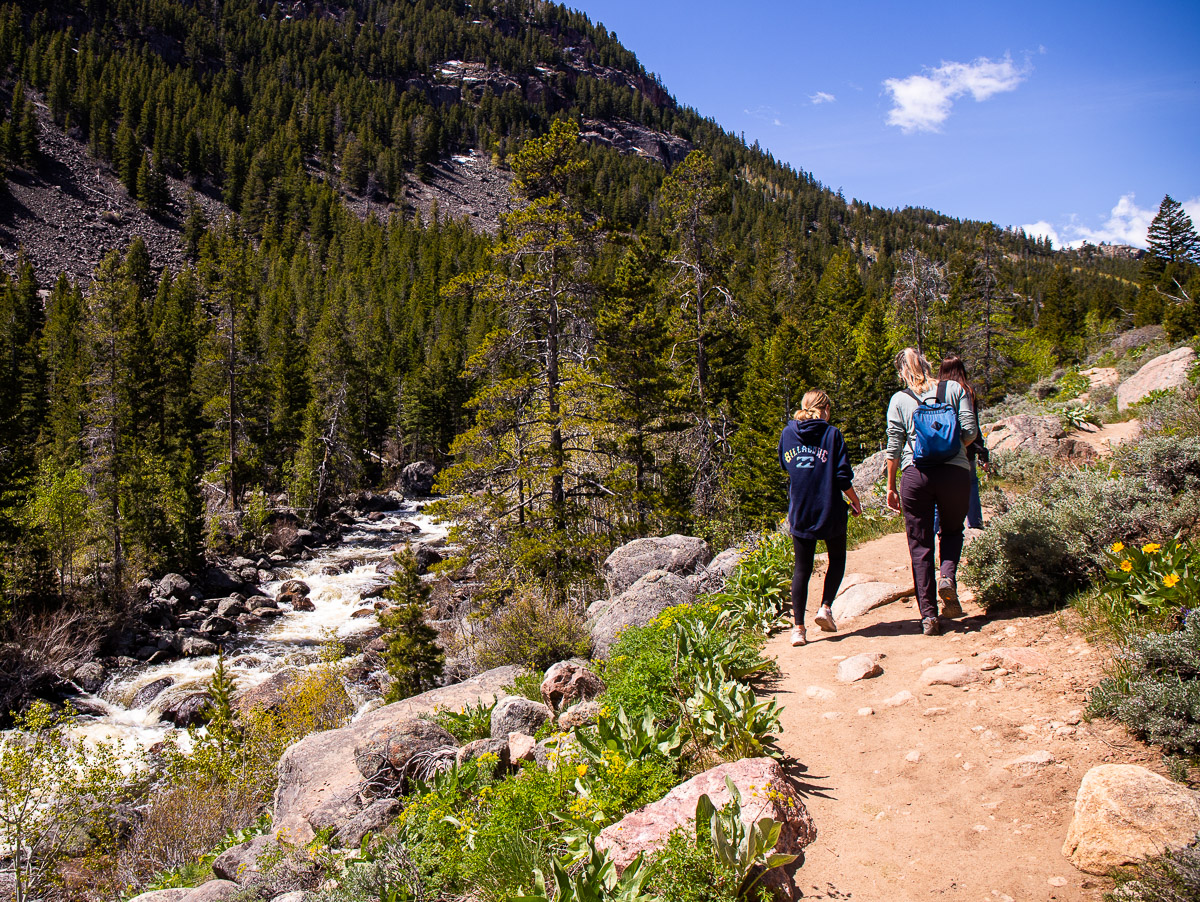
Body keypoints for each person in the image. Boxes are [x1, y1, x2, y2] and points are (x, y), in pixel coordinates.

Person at [885, 348, 979, 636]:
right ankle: (947, 577)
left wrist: (891, 487)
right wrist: (953, 452)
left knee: (920, 546)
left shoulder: (900, 399)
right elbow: (970, 430)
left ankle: (928, 617)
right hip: (955, 473)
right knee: (952, 531)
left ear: (902, 371)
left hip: (916, 476)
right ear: (927, 365)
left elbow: (894, 446)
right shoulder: (953, 388)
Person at [778, 389, 862, 647]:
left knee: (801, 569)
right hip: (829, 507)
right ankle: (825, 608)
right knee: (837, 558)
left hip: (801, 509)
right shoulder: (831, 434)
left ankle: (798, 630)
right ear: (824, 408)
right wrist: (855, 500)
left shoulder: (788, 433)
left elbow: (785, 464)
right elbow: (841, 477)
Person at [935, 355, 988, 531]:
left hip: (940, 447)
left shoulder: (935, 390)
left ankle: (935, 528)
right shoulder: (967, 391)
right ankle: (975, 524)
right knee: (971, 484)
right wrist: (981, 451)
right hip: (966, 448)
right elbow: (974, 426)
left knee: (938, 490)